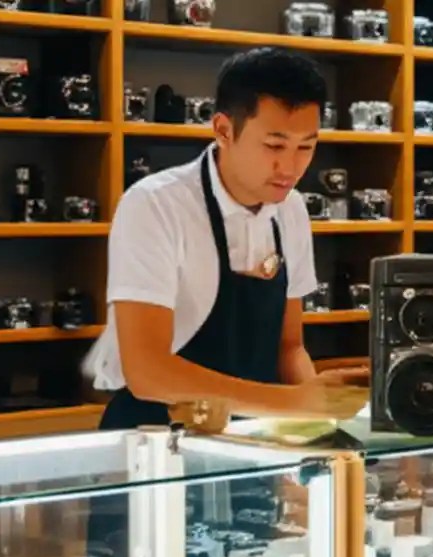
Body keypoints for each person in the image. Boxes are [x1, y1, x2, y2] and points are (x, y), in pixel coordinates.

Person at [85, 47, 366, 430]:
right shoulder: (155, 205)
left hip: (252, 434)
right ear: (223, 130)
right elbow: (148, 371)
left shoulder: (292, 210)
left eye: (307, 147)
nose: (291, 167)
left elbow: (289, 348)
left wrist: (322, 423)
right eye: (274, 145)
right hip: (155, 435)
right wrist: (291, 402)